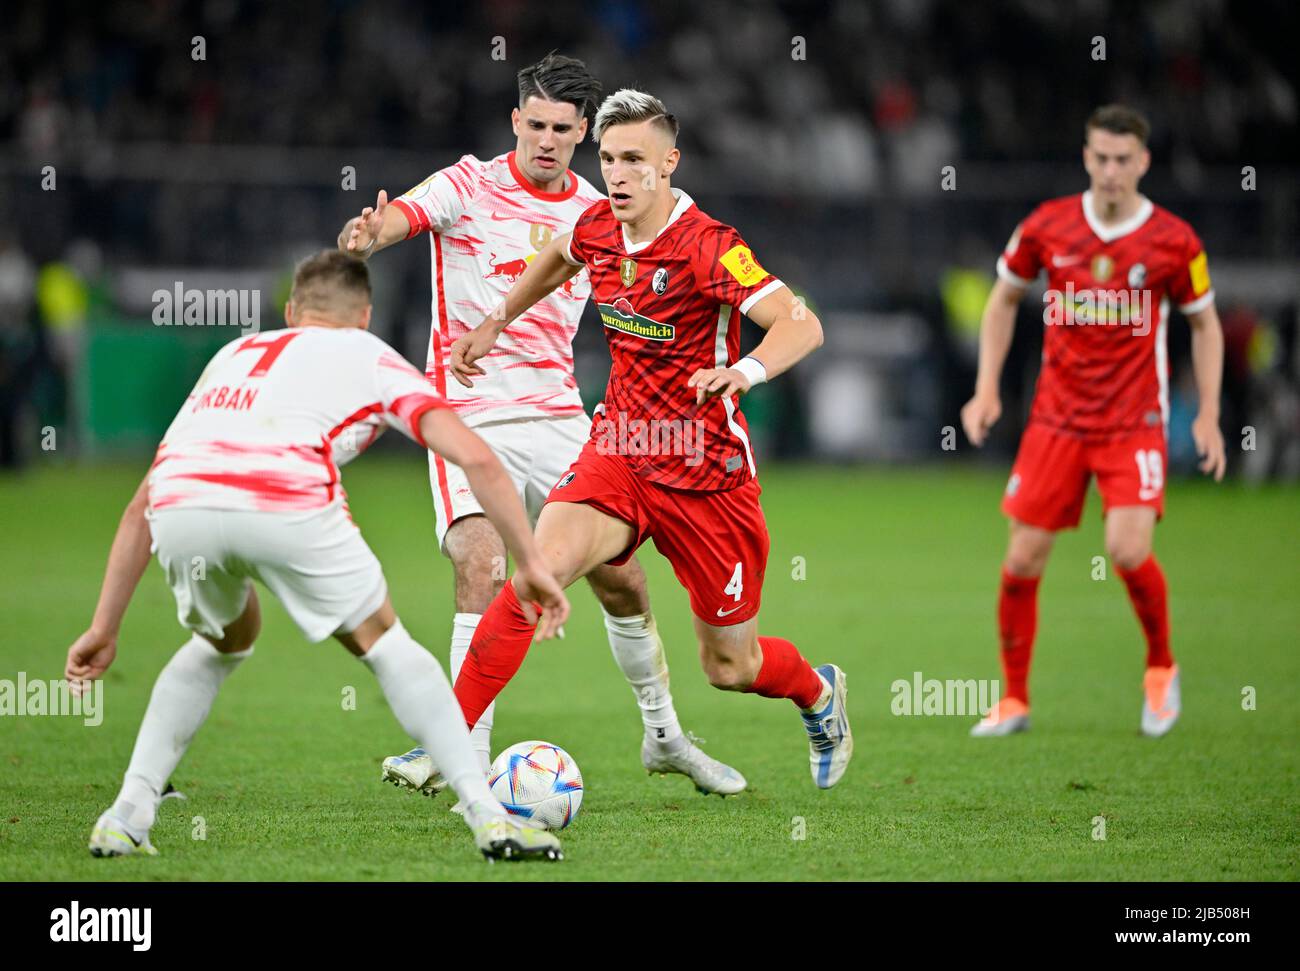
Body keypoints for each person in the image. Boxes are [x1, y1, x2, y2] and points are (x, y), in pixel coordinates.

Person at [66, 251, 568, 862]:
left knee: (227, 637)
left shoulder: (234, 355)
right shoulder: (371, 356)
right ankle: (490, 819)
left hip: (181, 502)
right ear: (366, 315)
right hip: (285, 498)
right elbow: (480, 459)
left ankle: (127, 815)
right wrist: (533, 565)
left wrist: (103, 627)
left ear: (290, 311)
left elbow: (141, 499)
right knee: (387, 645)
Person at [338, 54, 744, 799]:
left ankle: (666, 736)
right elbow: (408, 214)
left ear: (584, 131)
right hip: (466, 412)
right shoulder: (468, 182)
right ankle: (460, 754)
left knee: (621, 578)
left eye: (564, 129)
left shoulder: (599, 209)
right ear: (514, 121)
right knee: (481, 562)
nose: (548, 141)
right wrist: (374, 232)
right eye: (536, 126)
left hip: (560, 412)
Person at [446, 89, 853, 789]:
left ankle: (818, 693)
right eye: (607, 159)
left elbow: (802, 323)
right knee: (535, 575)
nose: (619, 174)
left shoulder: (710, 247)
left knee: (731, 666)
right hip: (622, 450)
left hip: (707, 475)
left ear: (670, 162)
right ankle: (450, 746)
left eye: (635, 159)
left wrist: (746, 369)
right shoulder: (598, 225)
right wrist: (497, 320)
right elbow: (561, 257)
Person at [960, 105, 1226, 738]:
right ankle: (1016, 700)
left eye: (1123, 160)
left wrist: (1210, 413)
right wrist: (986, 387)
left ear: (1143, 162)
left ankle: (1161, 669)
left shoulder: (1174, 240)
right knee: (1022, 559)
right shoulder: (1047, 226)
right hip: (1056, 421)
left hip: (1133, 421)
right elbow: (1002, 298)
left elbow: (1205, 324)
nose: (1111, 171)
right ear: (1086, 158)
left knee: (1127, 549)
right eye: (1100, 158)